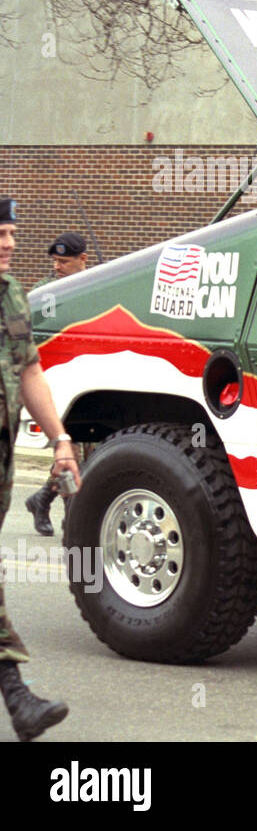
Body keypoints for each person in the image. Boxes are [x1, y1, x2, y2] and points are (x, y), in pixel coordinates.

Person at [0, 198, 78, 740]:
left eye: (10, 233)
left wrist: (61, 440)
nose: (10, 243)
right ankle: (16, 693)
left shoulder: (10, 291)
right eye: (0, 234)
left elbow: (29, 370)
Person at [27, 231, 92, 536]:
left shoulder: (100, 287)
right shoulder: (45, 292)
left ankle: (42, 499)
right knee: (70, 452)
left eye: (63, 262)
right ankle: (71, 517)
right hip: (57, 381)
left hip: (90, 381)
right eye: (54, 261)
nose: (57, 267)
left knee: (91, 455)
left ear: (83, 259)